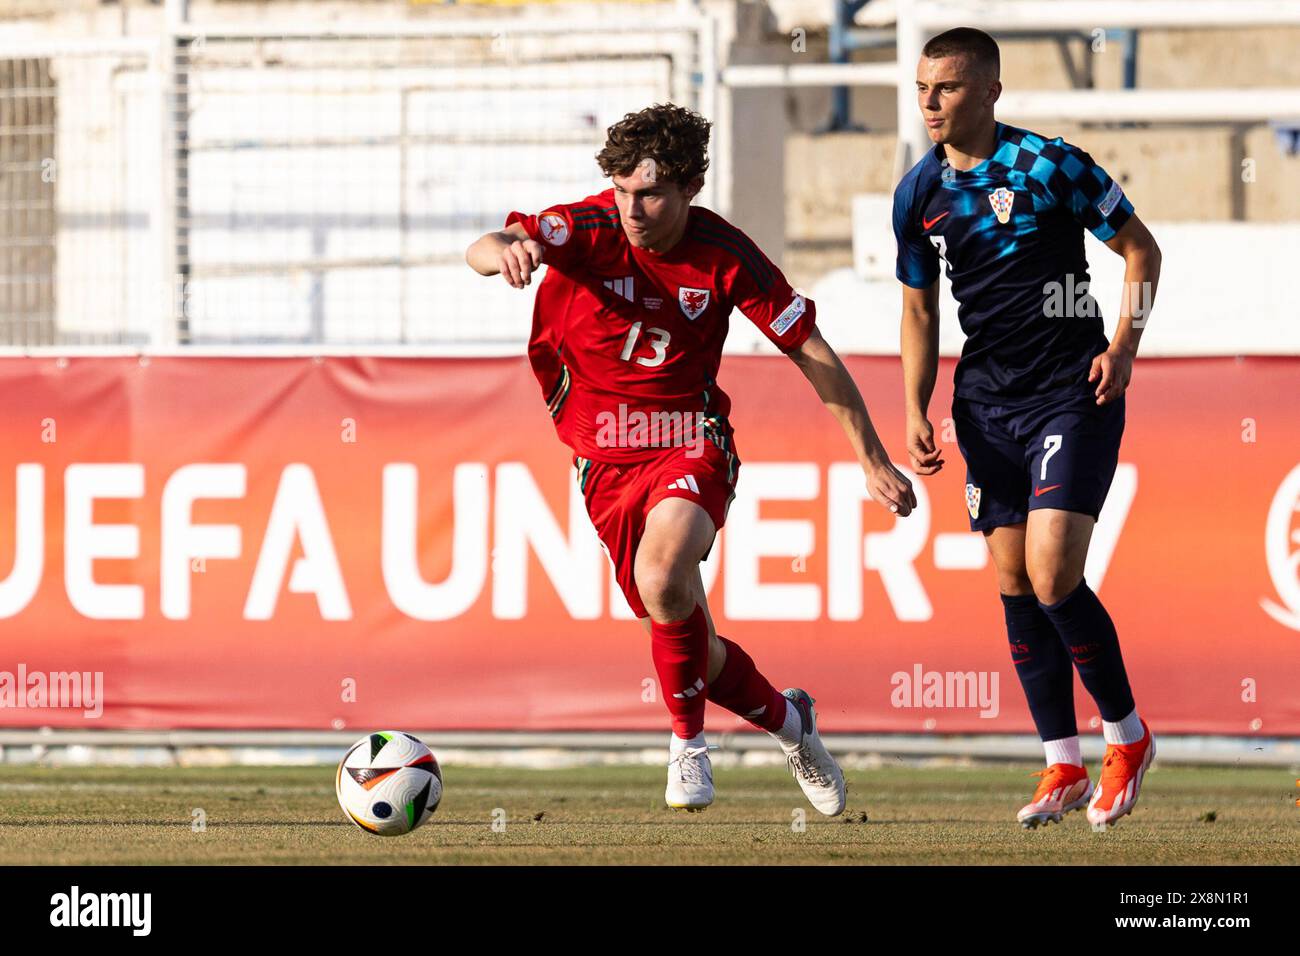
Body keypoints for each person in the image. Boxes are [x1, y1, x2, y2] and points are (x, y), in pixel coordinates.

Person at [467, 103, 914, 813]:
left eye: (648, 194)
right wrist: (507, 253)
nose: (631, 208)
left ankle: (687, 751)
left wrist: (871, 457)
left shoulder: (724, 255)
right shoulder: (587, 227)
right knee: (688, 639)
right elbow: (491, 243)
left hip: (688, 436)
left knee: (662, 571)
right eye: (620, 191)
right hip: (601, 459)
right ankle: (792, 722)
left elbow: (809, 351)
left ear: (687, 189)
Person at [893, 28, 1163, 828]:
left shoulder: (1051, 165)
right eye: (921, 88)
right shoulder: (918, 192)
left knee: (1052, 574)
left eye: (944, 88)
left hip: (1070, 392)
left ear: (989, 91)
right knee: (1012, 579)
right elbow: (917, 306)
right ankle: (1062, 763)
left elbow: (1142, 251)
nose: (930, 103)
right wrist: (914, 405)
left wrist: (1124, 347)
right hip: (985, 405)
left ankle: (1129, 737)